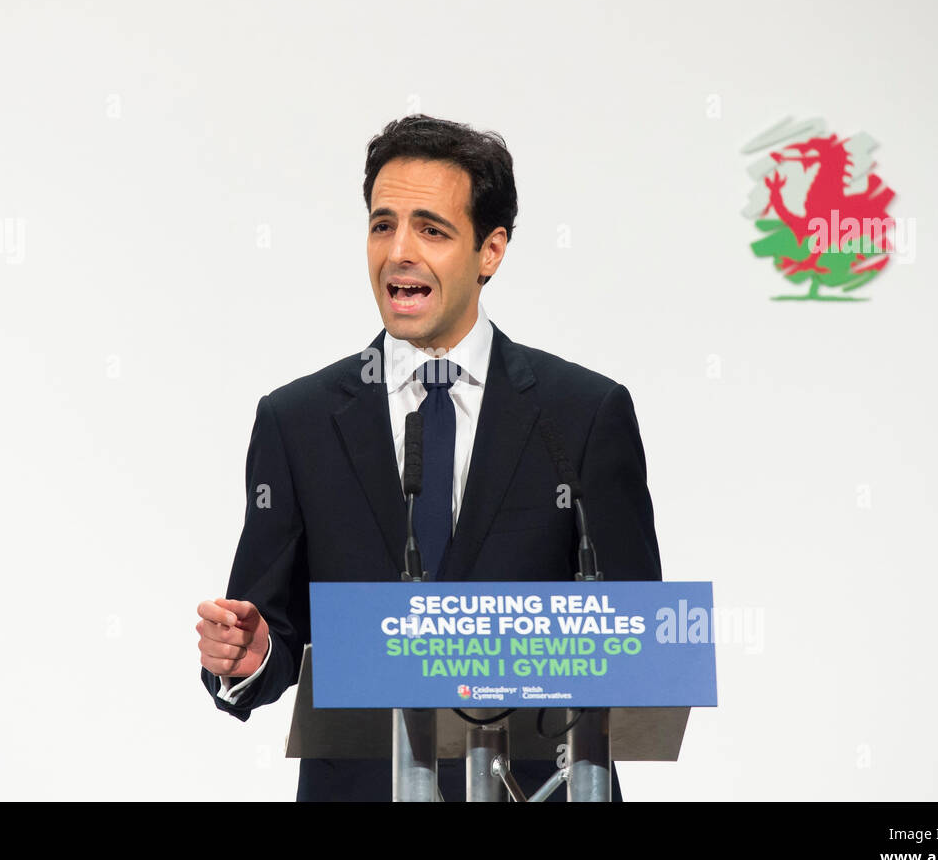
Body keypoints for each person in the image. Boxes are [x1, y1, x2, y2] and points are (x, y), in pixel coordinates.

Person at [196, 114, 662, 801]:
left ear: (490, 250)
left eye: (431, 229)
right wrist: (252, 652)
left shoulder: (583, 414)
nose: (399, 252)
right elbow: (272, 628)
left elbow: (638, 641)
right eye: (382, 224)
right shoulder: (297, 421)